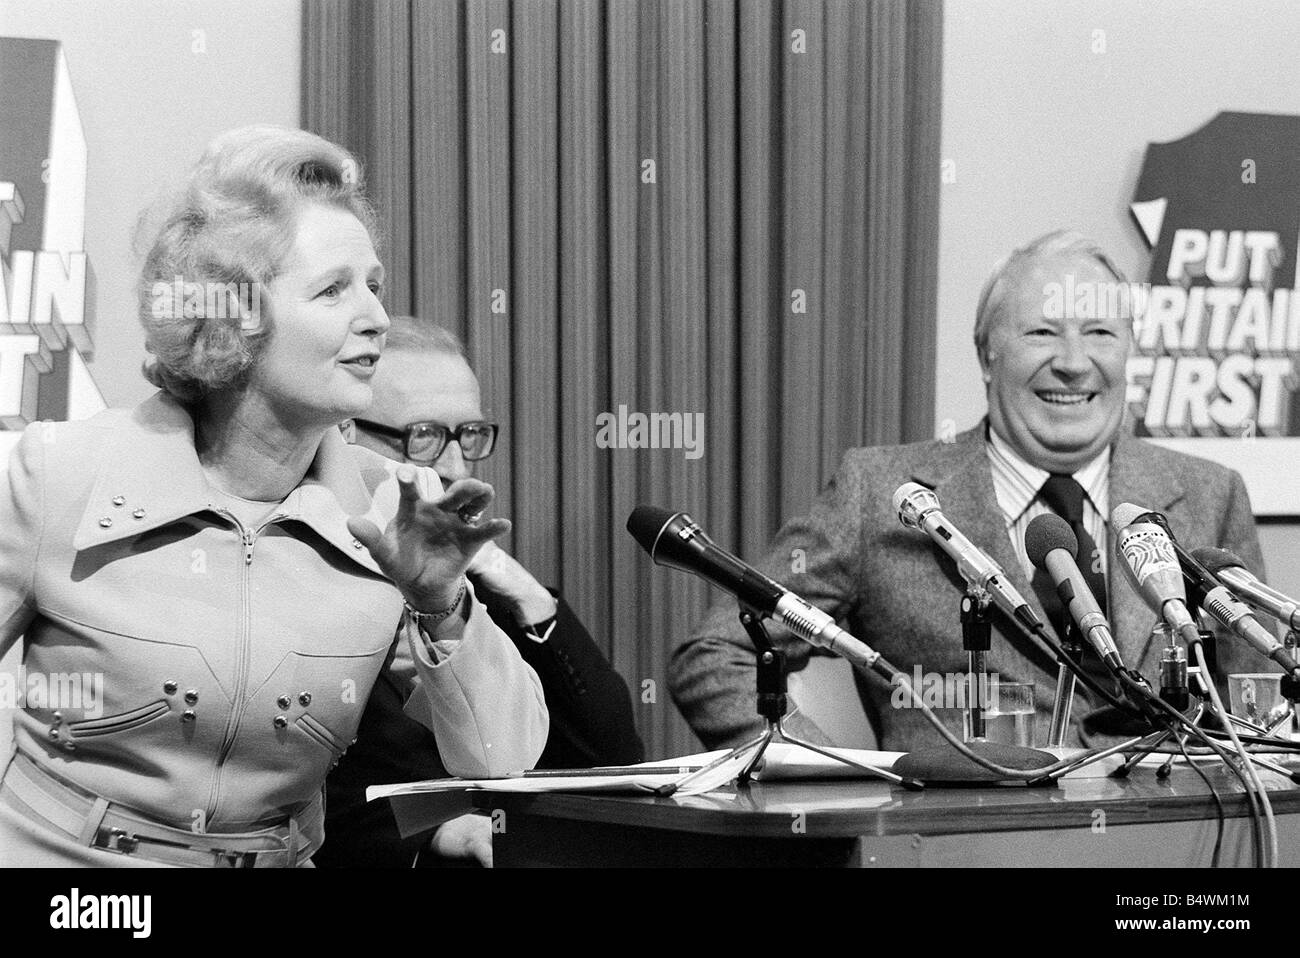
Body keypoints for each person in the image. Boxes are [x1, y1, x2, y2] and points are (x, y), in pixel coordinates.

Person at [0, 126, 548, 867]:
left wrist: (440, 601)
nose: (377, 319)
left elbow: (499, 760)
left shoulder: (391, 511)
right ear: (232, 317)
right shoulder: (61, 474)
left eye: (375, 286)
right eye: (333, 290)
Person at [670, 230, 1270, 752]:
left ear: (1130, 350)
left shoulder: (1209, 495)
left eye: (1100, 333)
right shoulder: (877, 492)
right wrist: (827, 776)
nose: (1073, 362)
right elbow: (717, 656)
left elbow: (1253, 705)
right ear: (986, 354)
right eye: (1041, 332)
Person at [315, 317, 643, 868]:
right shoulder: (300, 566)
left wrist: (530, 597)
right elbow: (304, 785)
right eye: (424, 436)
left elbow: (607, 758)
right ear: (346, 434)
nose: (454, 466)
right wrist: (436, 832)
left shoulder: (471, 580)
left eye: (467, 435)